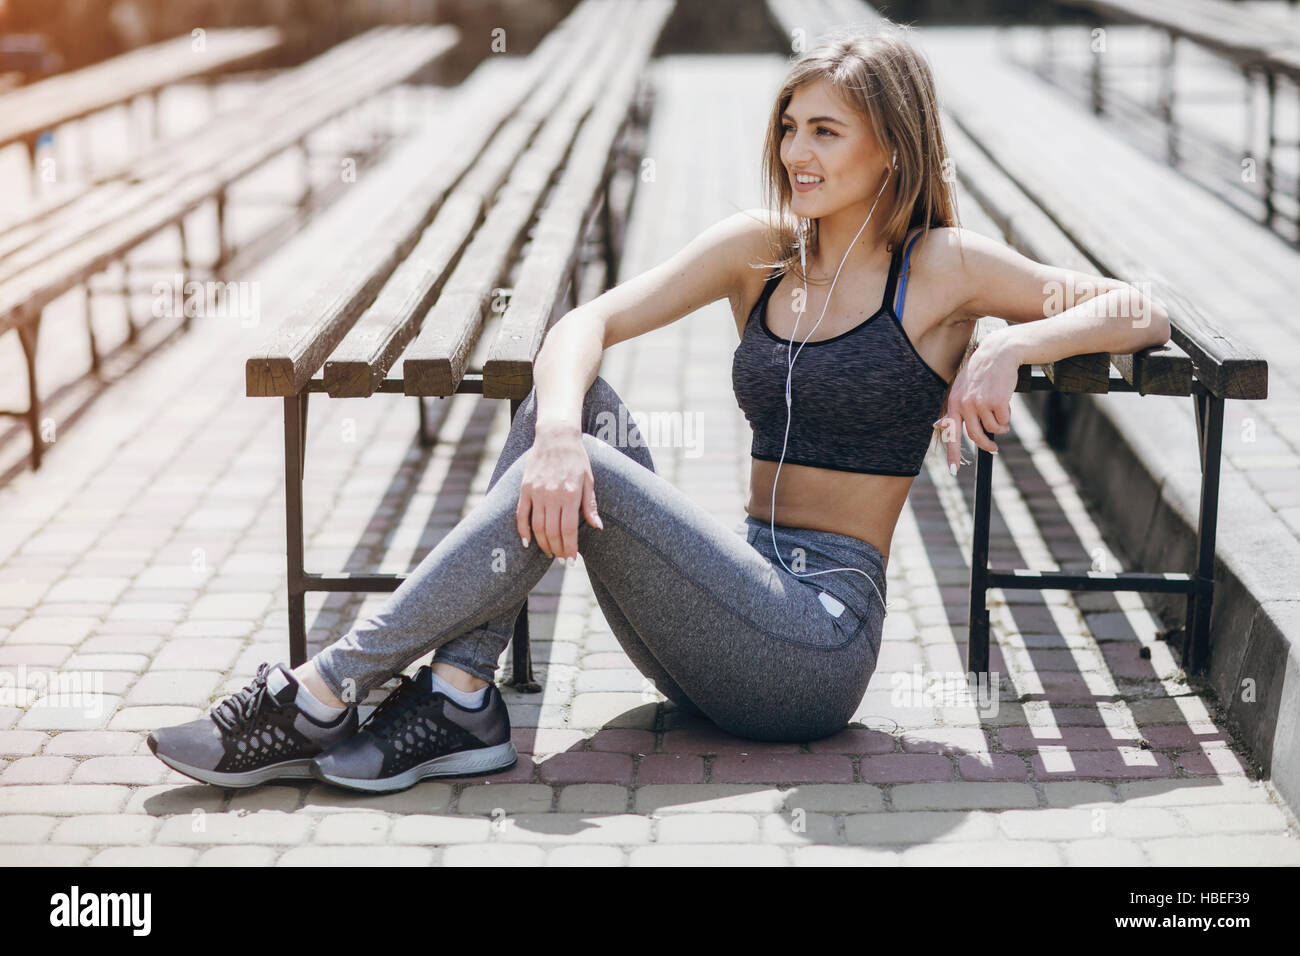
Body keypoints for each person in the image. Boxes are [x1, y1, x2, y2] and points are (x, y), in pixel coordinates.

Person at [148, 20, 1170, 793]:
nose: (795, 152)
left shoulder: (937, 268)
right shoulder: (759, 250)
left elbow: (1138, 309)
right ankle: (462, 695)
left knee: (583, 460)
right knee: (577, 407)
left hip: (814, 645)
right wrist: (554, 433)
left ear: (889, 151)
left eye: (825, 131)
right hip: (729, 600)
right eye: (787, 127)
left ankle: (322, 691)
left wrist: (1015, 343)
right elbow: (578, 323)